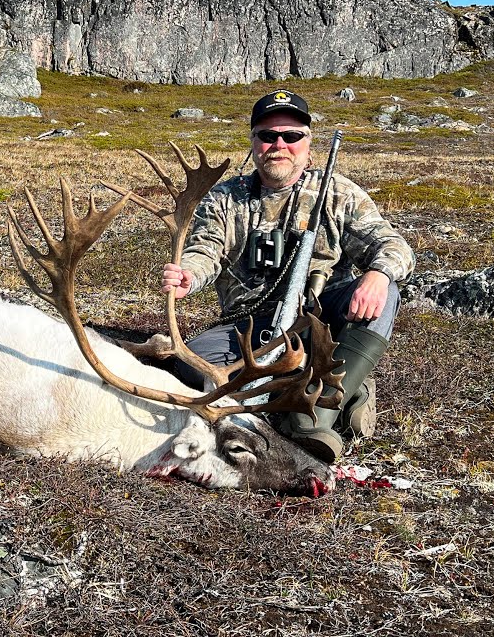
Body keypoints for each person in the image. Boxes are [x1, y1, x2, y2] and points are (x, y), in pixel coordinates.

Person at [161, 89, 415, 462]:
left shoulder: (339, 194)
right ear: (254, 144)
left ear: (307, 144)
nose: (279, 145)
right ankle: (338, 389)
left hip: (321, 320)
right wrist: (188, 275)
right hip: (250, 326)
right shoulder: (224, 199)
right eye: (267, 136)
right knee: (191, 360)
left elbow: (395, 247)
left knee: (385, 292)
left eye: (291, 136)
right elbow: (205, 250)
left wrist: (378, 274)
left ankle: (317, 417)